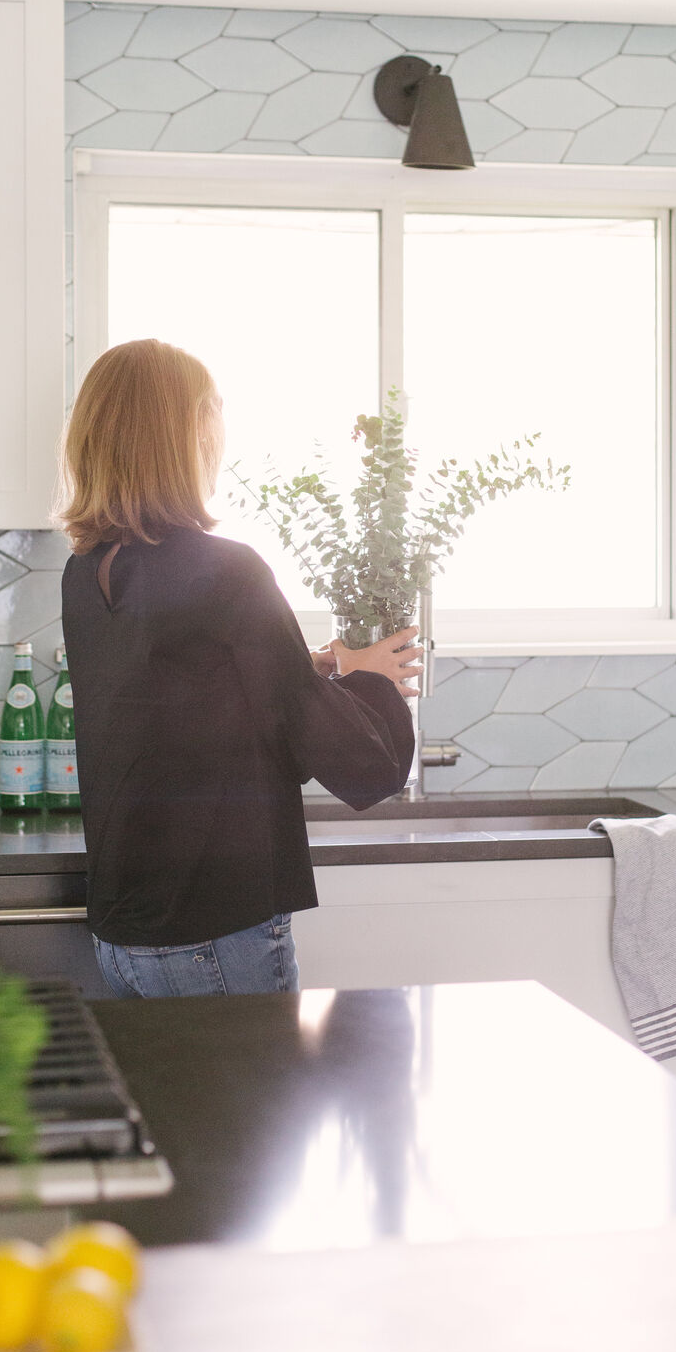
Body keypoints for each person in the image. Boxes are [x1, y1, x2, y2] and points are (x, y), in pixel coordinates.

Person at [57, 338, 419, 999]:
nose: (220, 434)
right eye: (214, 413)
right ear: (188, 431)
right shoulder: (228, 572)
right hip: (215, 938)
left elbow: (183, 718)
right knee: (249, 1109)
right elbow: (357, 764)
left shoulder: (86, 575)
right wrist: (371, 678)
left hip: (123, 939)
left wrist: (311, 667)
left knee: (168, 1108)